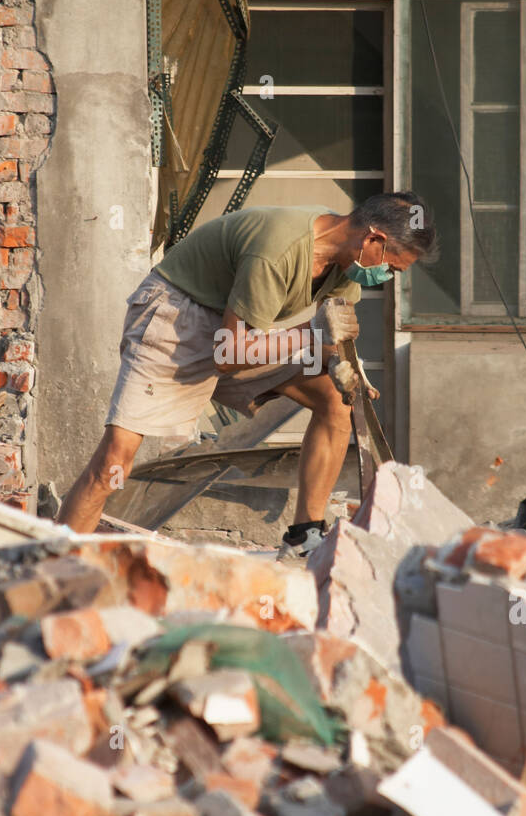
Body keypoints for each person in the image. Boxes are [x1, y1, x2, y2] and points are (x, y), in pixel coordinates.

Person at [57, 191, 438, 556]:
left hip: (237, 330)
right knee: (114, 461)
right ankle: (53, 560)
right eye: (391, 267)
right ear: (374, 238)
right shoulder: (279, 251)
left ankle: (305, 536)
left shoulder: (347, 264)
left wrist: (342, 365)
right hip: (176, 320)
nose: (387, 278)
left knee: (335, 400)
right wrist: (311, 333)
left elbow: (329, 336)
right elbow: (228, 355)